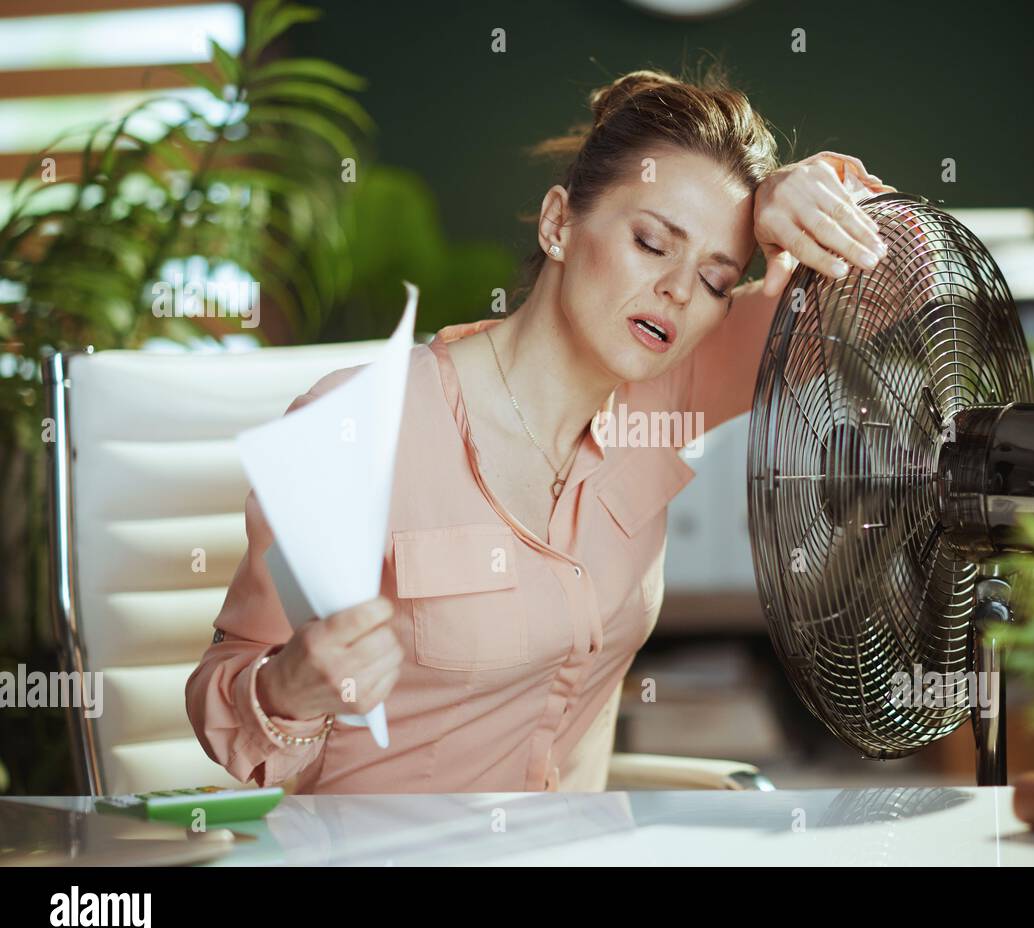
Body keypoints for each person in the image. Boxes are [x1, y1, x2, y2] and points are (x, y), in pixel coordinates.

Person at [185, 66, 892, 793]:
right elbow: (229, 701)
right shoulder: (357, 430)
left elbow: (898, 290)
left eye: (717, 279)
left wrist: (801, 192)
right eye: (652, 242)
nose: (680, 289)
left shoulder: (667, 383)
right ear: (559, 224)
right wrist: (291, 691)